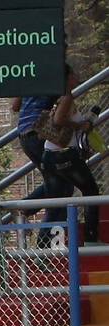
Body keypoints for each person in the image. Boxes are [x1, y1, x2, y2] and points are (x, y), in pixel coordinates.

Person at [40, 66, 100, 247]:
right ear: (67, 78)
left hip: (49, 154)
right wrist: (80, 126)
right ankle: (91, 238)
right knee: (91, 191)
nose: (77, 76)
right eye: (73, 74)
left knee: (56, 202)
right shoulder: (66, 97)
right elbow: (58, 121)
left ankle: (43, 247)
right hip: (64, 156)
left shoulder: (56, 96)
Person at [11, 90, 60, 244]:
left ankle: (25, 209)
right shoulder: (50, 76)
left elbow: (15, 106)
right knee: (58, 185)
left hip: (24, 133)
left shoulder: (29, 76)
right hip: (38, 133)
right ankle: (44, 241)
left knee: (57, 183)